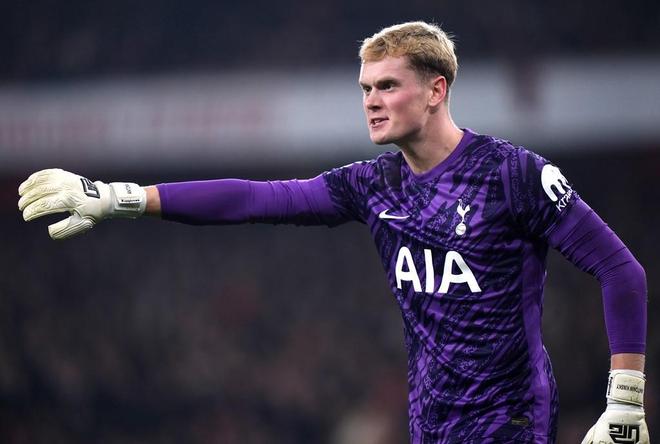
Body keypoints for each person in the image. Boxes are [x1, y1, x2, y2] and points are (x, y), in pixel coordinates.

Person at [17, 21, 648, 444]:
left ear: (436, 90)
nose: (371, 100)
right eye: (365, 88)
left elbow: (621, 270)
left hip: (509, 421)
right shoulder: (373, 185)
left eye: (387, 86)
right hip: (429, 423)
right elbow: (255, 199)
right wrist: (120, 197)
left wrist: (625, 398)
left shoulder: (512, 174)